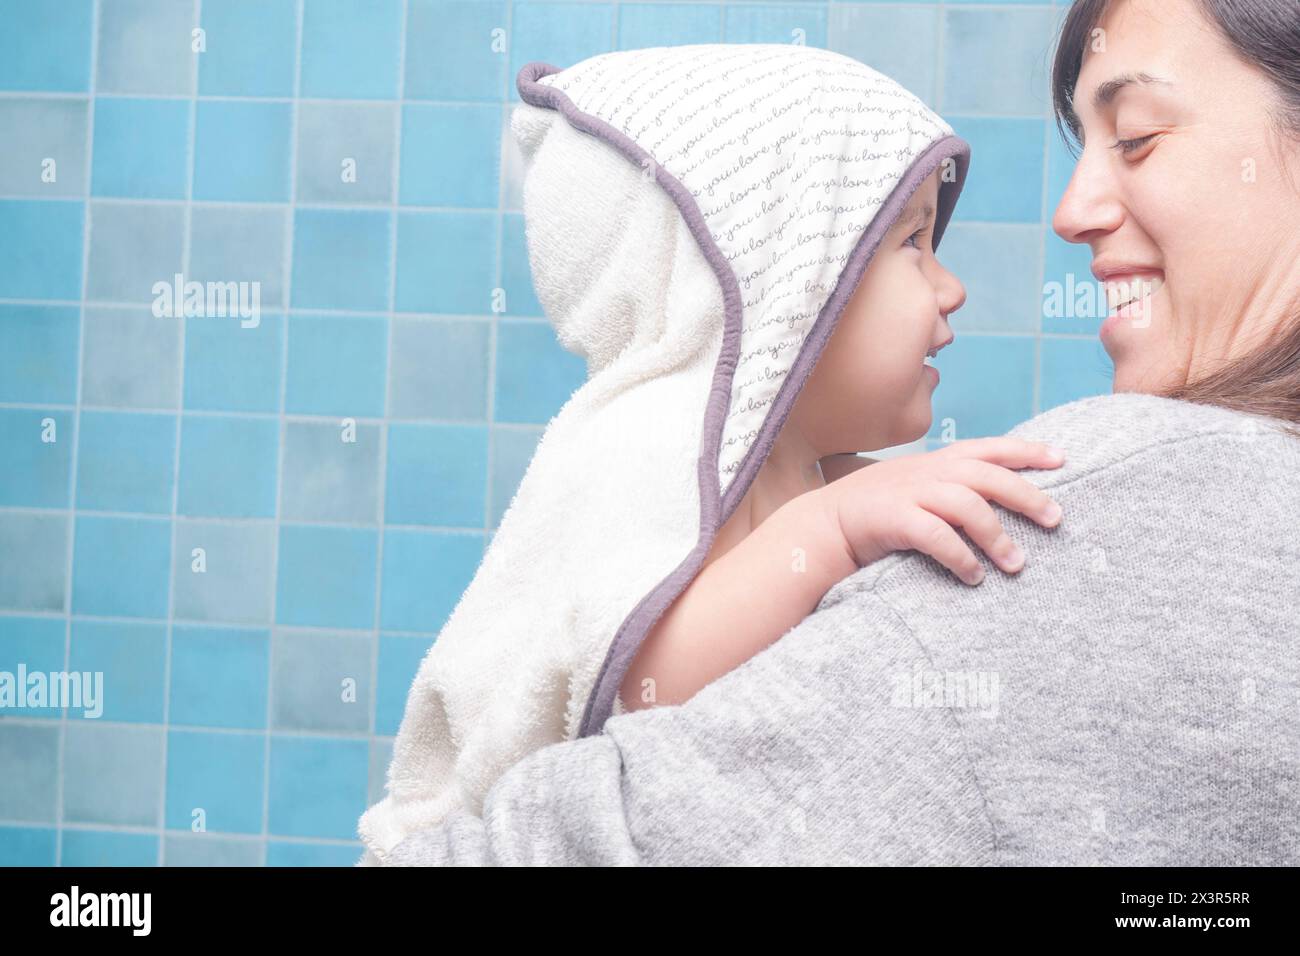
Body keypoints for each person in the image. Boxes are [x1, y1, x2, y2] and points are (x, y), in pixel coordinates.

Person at [367, 0, 1300, 865]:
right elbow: (634, 685)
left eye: (1136, 137)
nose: (1067, 215)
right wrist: (836, 529)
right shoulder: (653, 453)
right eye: (909, 246)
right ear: (781, 285)